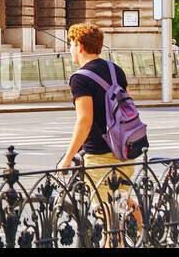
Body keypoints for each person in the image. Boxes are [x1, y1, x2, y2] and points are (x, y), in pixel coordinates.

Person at [57, 22, 143, 237]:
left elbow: (85, 121)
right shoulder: (116, 70)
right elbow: (127, 105)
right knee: (119, 207)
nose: (70, 49)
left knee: (108, 220)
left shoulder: (80, 78)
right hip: (125, 149)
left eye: (71, 44)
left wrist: (67, 159)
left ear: (79, 45)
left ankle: (134, 236)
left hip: (100, 156)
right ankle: (144, 233)